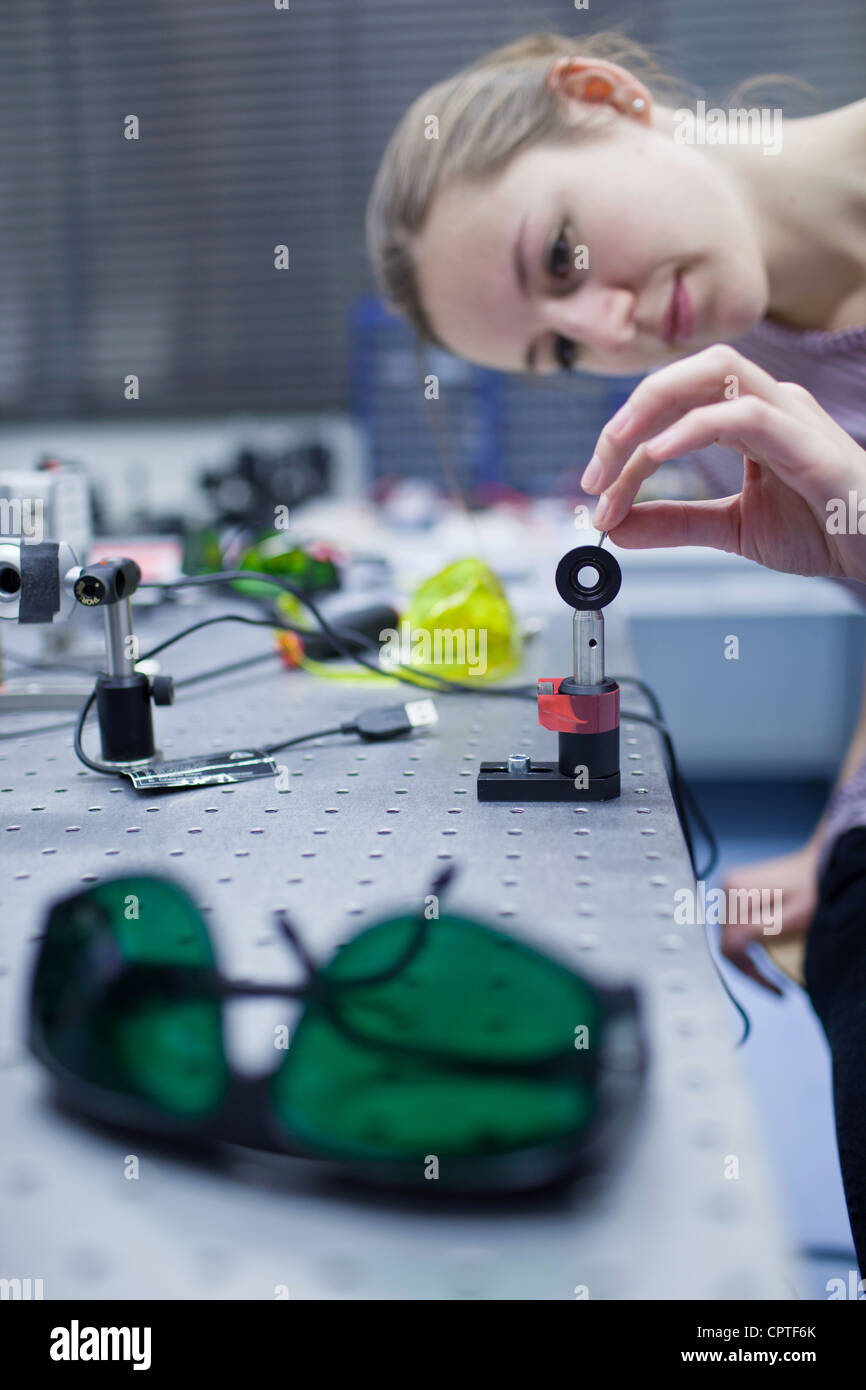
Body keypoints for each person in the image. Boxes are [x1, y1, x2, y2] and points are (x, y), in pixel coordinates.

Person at [366, 30, 866, 1268]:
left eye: (561, 254)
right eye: (559, 350)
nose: (607, 324)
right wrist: (825, 842)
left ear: (601, 96)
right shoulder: (719, 410)